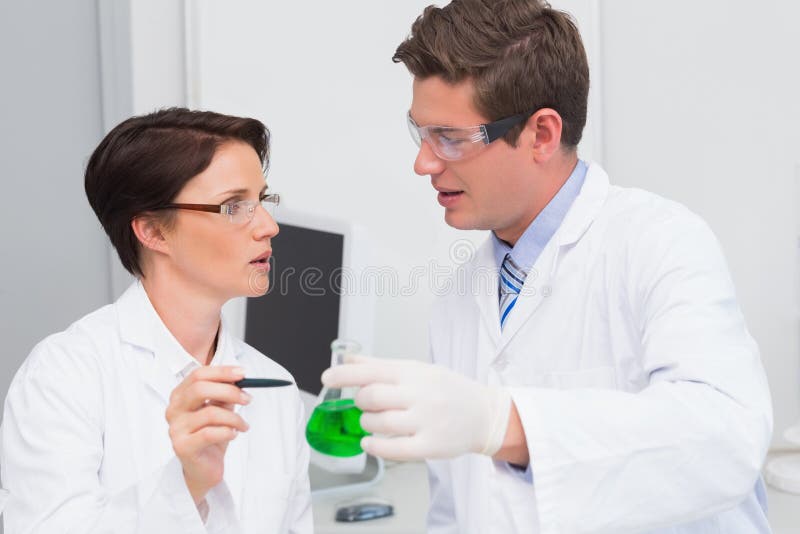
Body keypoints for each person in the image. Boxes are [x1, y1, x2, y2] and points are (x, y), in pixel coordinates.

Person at [321, 1, 773, 532]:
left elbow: (725, 441)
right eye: (420, 132)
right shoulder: (460, 297)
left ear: (541, 134)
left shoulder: (661, 244)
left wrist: (503, 424)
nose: (424, 162)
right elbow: (453, 511)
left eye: (450, 137)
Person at [0, 108, 312, 533]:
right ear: (153, 232)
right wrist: (185, 485)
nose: (269, 226)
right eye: (234, 206)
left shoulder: (275, 387)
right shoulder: (64, 377)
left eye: (262, 200)